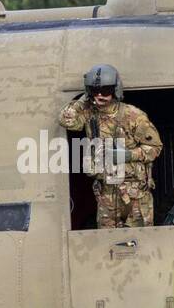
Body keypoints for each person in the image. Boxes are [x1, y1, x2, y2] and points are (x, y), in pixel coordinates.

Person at [59, 64, 162, 228]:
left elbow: (155, 148)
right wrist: (84, 98)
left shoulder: (133, 115)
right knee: (106, 242)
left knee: (139, 241)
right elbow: (66, 120)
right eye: (95, 90)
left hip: (135, 194)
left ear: (115, 90)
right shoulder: (89, 114)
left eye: (106, 90)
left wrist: (127, 155)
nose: (100, 95)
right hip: (106, 193)